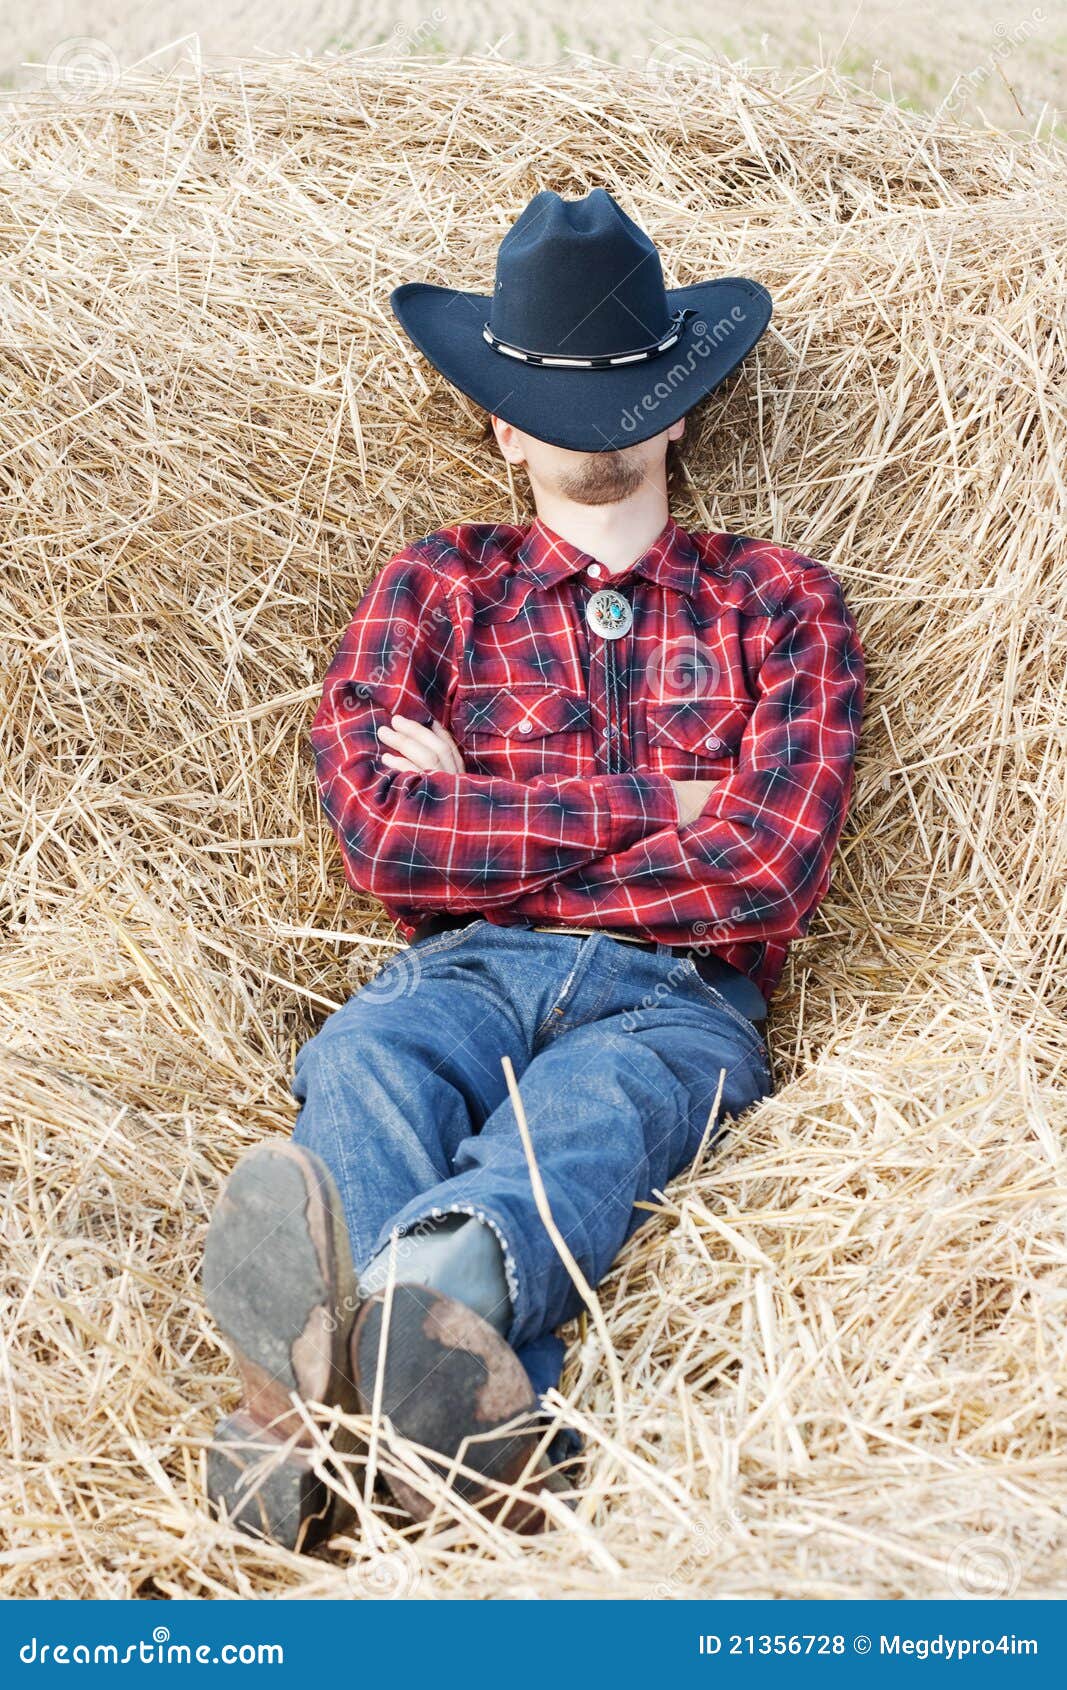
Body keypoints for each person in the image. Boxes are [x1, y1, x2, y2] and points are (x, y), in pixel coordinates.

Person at [201, 188, 865, 1550]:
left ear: (675, 407)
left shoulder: (781, 602)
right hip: (455, 971)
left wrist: (490, 816)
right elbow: (385, 837)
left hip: (674, 998)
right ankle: (450, 1413)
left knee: (593, 1107)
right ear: (504, 422)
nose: (595, 424)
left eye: (627, 392)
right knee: (372, 1055)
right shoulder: (437, 587)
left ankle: (332, 1388)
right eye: (557, 399)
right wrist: (660, 802)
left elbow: (764, 874)